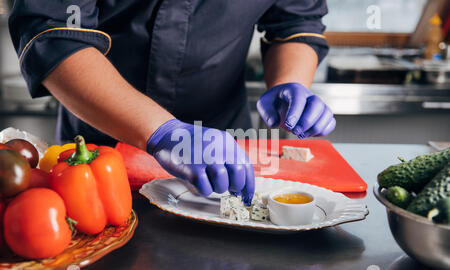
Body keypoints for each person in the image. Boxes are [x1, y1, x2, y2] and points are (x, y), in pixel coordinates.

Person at [9, 0, 336, 205]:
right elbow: (54, 33)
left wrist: (289, 80)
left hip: (227, 146)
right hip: (100, 153)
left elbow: (295, 20)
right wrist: (161, 131)